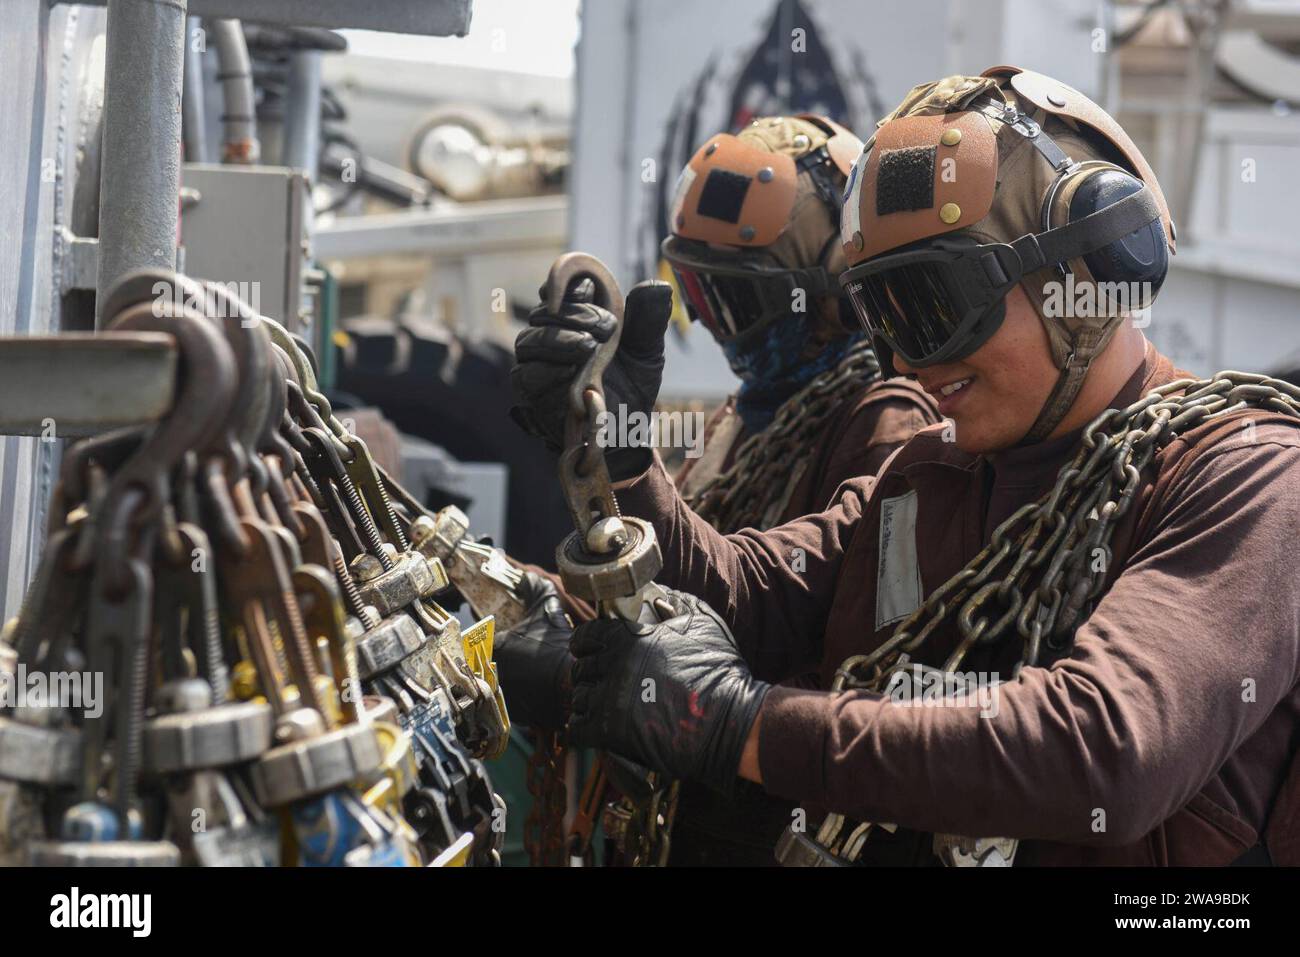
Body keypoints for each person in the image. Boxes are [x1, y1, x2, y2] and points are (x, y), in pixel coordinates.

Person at [513, 67, 1300, 866]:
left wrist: (747, 728)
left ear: (1097, 264)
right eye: (880, 317)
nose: (908, 362)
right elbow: (754, 596)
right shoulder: (931, 471)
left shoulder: (1246, 477)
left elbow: (1105, 750)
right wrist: (616, 453)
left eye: (933, 307)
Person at [500, 114, 937, 865]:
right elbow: (665, 586)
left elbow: (853, 668)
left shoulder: (887, 425)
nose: (710, 324)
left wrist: (598, 676)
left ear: (834, 293)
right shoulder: (735, 424)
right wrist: (516, 596)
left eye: (738, 301)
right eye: (695, 290)